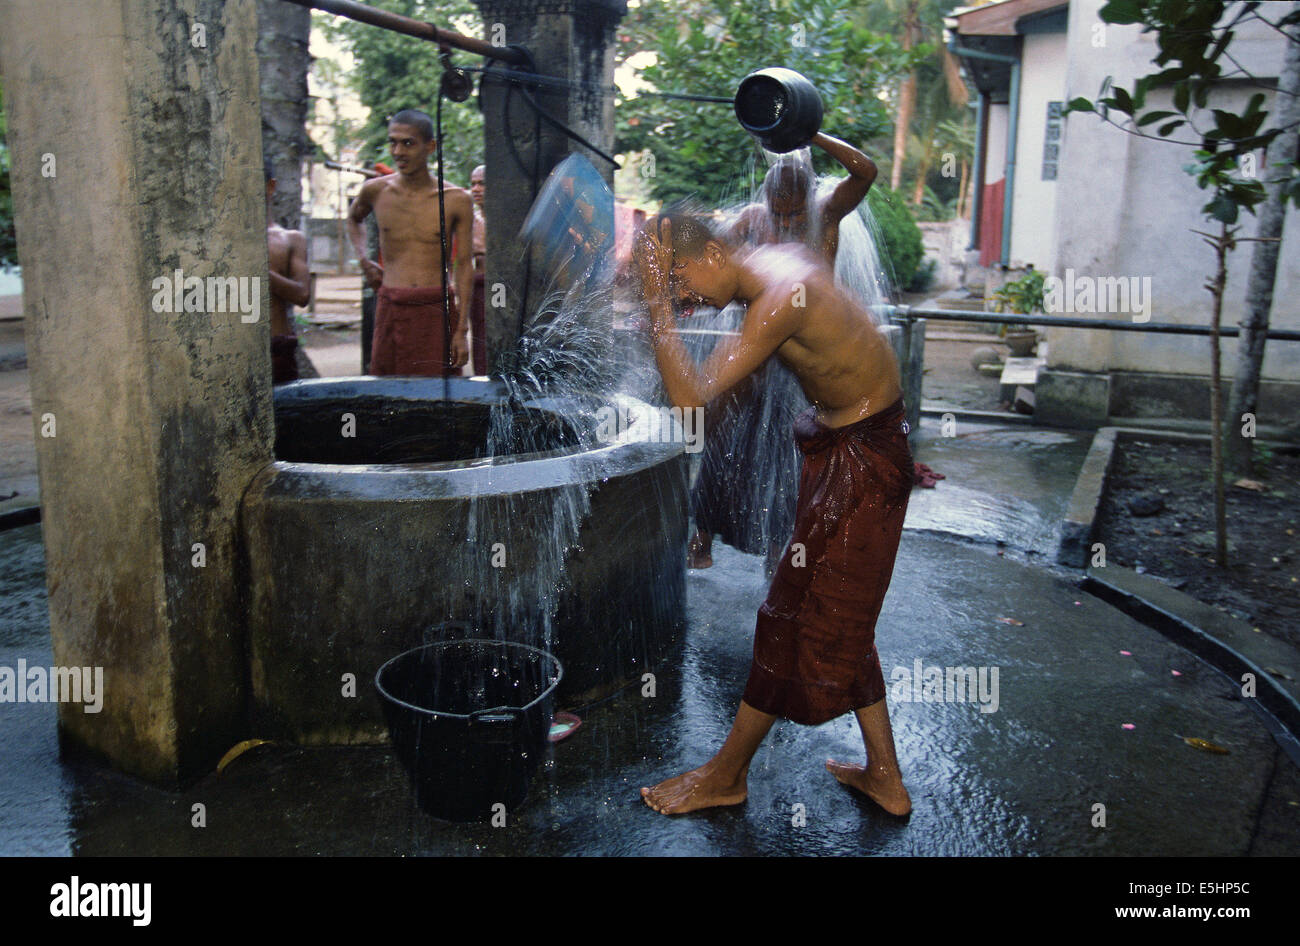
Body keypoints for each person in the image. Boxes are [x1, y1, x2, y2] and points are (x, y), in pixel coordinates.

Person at [634, 212, 913, 817]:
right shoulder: (779, 257)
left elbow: (689, 406)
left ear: (713, 252)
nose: (683, 296)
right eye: (672, 288)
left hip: (864, 465)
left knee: (788, 614)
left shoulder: (781, 298)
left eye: (680, 279)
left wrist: (658, 309)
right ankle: (885, 779)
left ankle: (726, 775)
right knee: (837, 608)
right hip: (850, 448)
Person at [689, 132, 878, 571]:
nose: (786, 222)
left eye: (794, 213)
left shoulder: (828, 213)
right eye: (779, 211)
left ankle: (783, 557)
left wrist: (810, 134)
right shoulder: (755, 219)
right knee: (723, 437)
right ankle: (700, 538)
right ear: (767, 197)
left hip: (805, 360)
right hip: (758, 351)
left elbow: (865, 171)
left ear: (810, 197)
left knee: (794, 451)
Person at [346, 109, 473, 376]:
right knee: (387, 396)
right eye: (393, 142)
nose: (398, 151)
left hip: (436, 308)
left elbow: (464, 266)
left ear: (430, 147)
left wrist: (461, 331)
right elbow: (354, 219)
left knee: (438, 399)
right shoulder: (376, 191)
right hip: (391, 305)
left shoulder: (455, 199)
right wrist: (363, 259)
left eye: (408, 143)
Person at [265, 165, 313, 384]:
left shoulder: (290, 239)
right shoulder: (222, 241)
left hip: (277, 345)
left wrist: (258, 270)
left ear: (270, 186)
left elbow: (302, 295)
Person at [468, 164, 488, 375]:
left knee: (496, 323)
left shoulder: (506, 220)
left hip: (498, 286)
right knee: (479, 333)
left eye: (482, 184)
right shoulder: (470, 220)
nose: (476, 189)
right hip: (476, 286)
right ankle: (482, 375)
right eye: (473, 184)